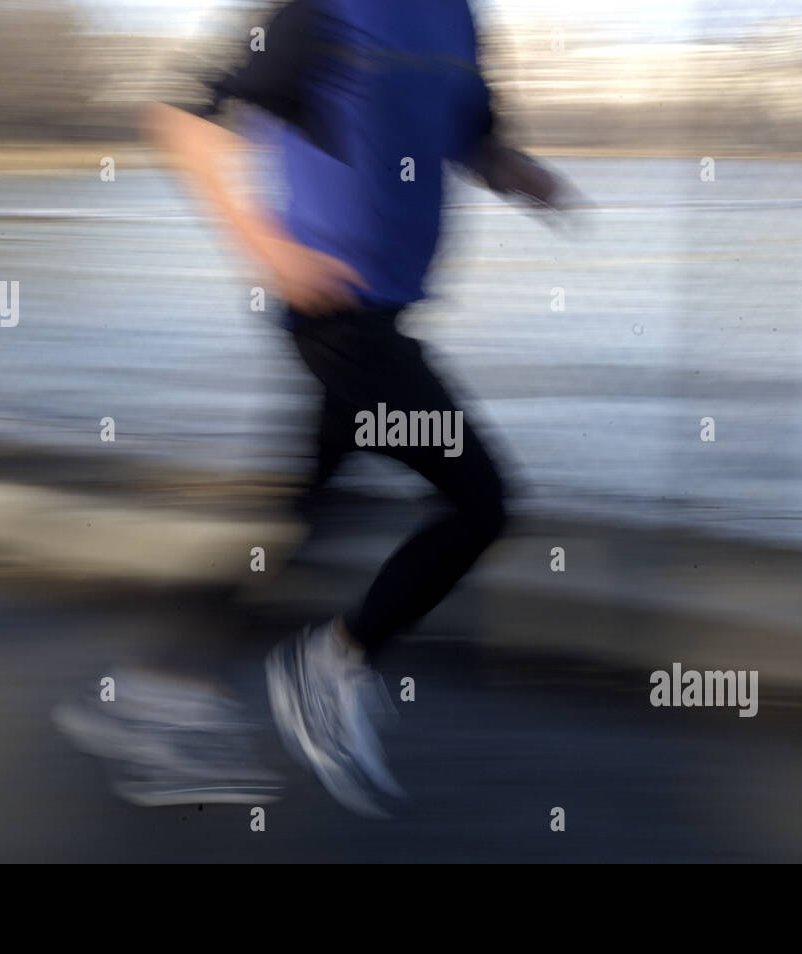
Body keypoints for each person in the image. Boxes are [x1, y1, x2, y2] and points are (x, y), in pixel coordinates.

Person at [144, 0, 568, 816]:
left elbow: (472, 139)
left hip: (384, 318)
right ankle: (331, 665)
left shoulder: (458, 20)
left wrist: (523, 176)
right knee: (482, 504)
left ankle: (158, 690)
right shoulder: (325, 9)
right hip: (335, 322)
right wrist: (265, 247)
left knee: (304, 514)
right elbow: (180, 122)